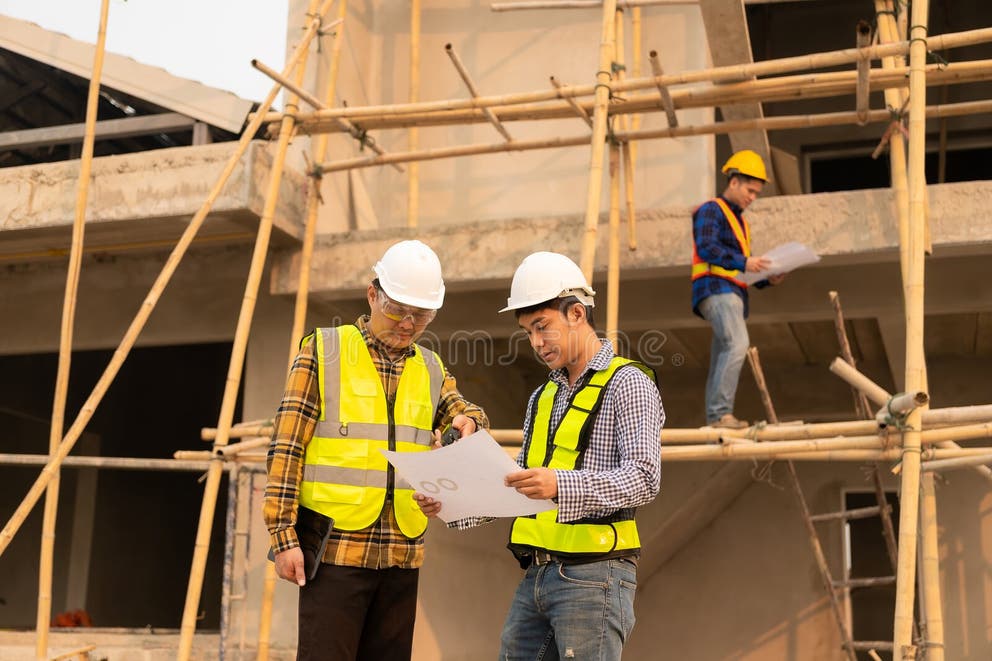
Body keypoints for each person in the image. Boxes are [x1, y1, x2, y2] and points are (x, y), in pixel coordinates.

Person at [416, 251, 663, 661]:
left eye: (542, 327)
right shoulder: (542, 395)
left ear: (578, 314)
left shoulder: (629, 384)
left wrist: (560, 485)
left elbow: (644, 477)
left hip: (596, 576)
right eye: (528, 332)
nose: (535, 343)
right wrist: (452, 502)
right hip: (537, 574)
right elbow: (516, 484)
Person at [264, 239, 489, 661]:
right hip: (335, 551)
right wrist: (282, 536)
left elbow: (465, 410)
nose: (407, 323)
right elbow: (286, 446)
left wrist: (470, 423)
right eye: (397, 310)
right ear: (373, 295)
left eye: (421, 315)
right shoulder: (323, 351)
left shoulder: (431, 367)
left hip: (401, 554)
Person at [692, 149, 785, 430]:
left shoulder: (740, 221)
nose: (752, 197)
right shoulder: (711, 210)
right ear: (733, 182)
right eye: (750, 190)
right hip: (716, 290)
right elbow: (708, 248)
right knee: (737, 345)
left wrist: (768, 278)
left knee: (724, 352)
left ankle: (715, 417)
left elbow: (739, 268)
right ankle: (721, 414)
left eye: (757, 193)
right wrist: (746, 261)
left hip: (730, 291)